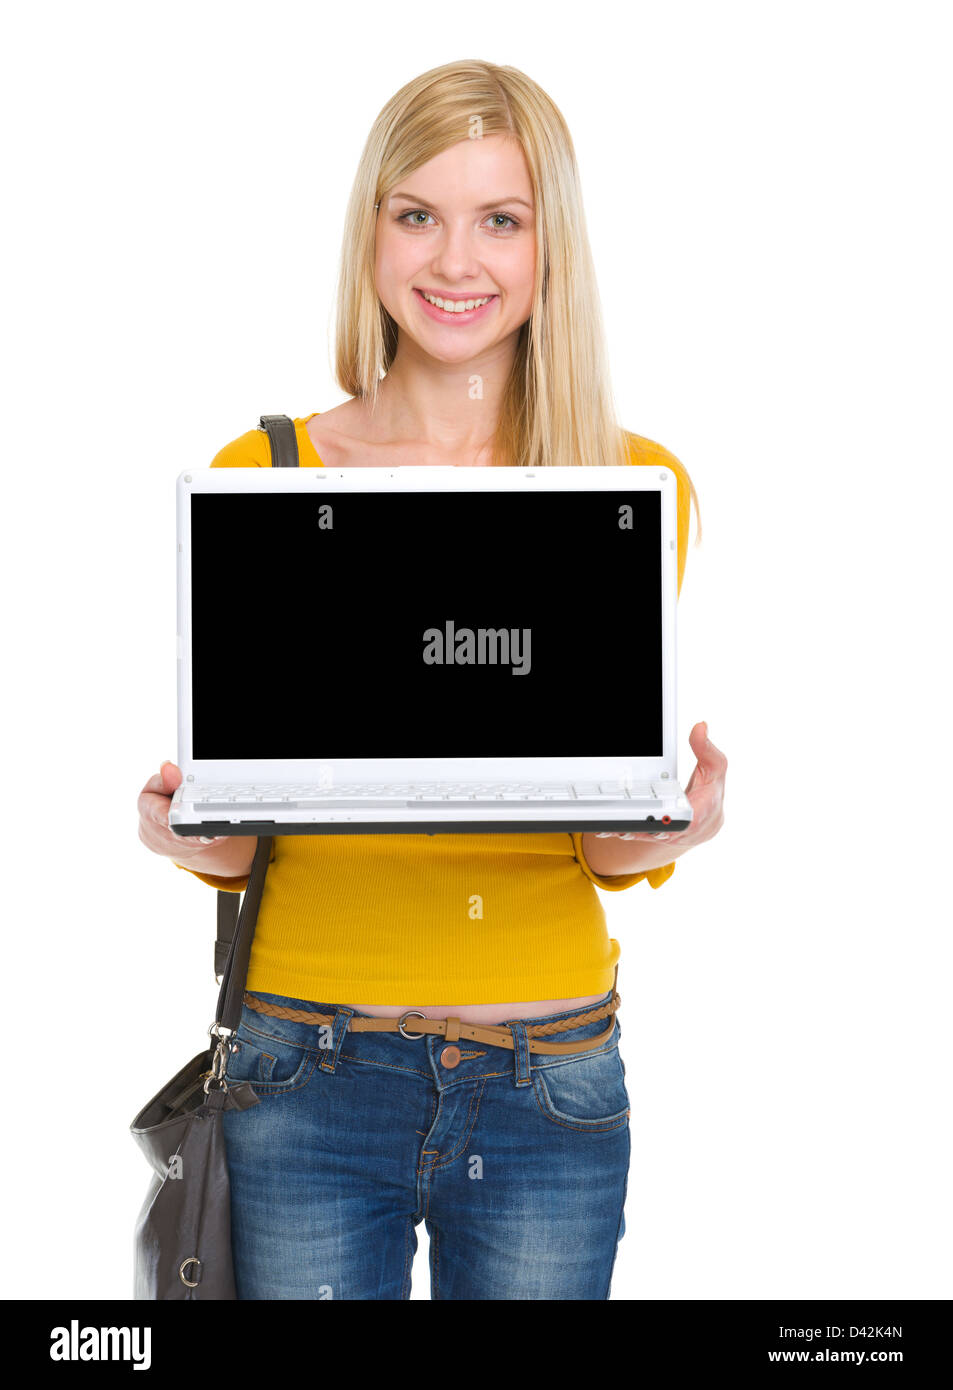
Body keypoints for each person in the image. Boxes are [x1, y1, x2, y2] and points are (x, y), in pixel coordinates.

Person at [137, 60, 727, 1300]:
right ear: (372, 234)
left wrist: (673, 821)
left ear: (546, 243)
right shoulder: (269, 473)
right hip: (305, 1065)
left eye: (498, 221)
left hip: (545, 1076)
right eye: (416, 214)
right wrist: (191, 828)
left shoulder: (633, 488)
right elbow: (252, 838)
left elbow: (597, 847)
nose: (454, 260)